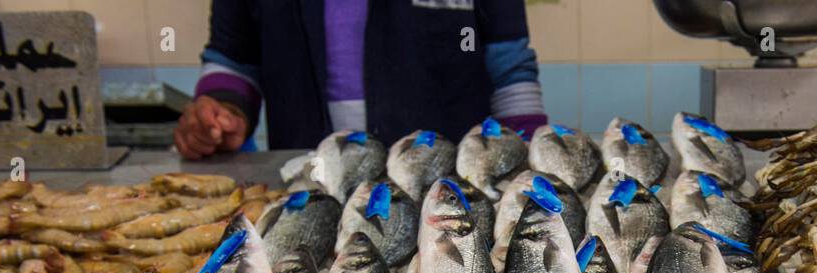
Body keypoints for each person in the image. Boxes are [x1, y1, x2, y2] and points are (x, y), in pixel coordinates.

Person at [174, 0, 547, 159]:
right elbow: (234, 59)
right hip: (310, 193)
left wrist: (528, 163)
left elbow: (510, 65)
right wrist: (221, 111)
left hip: (449, 198)